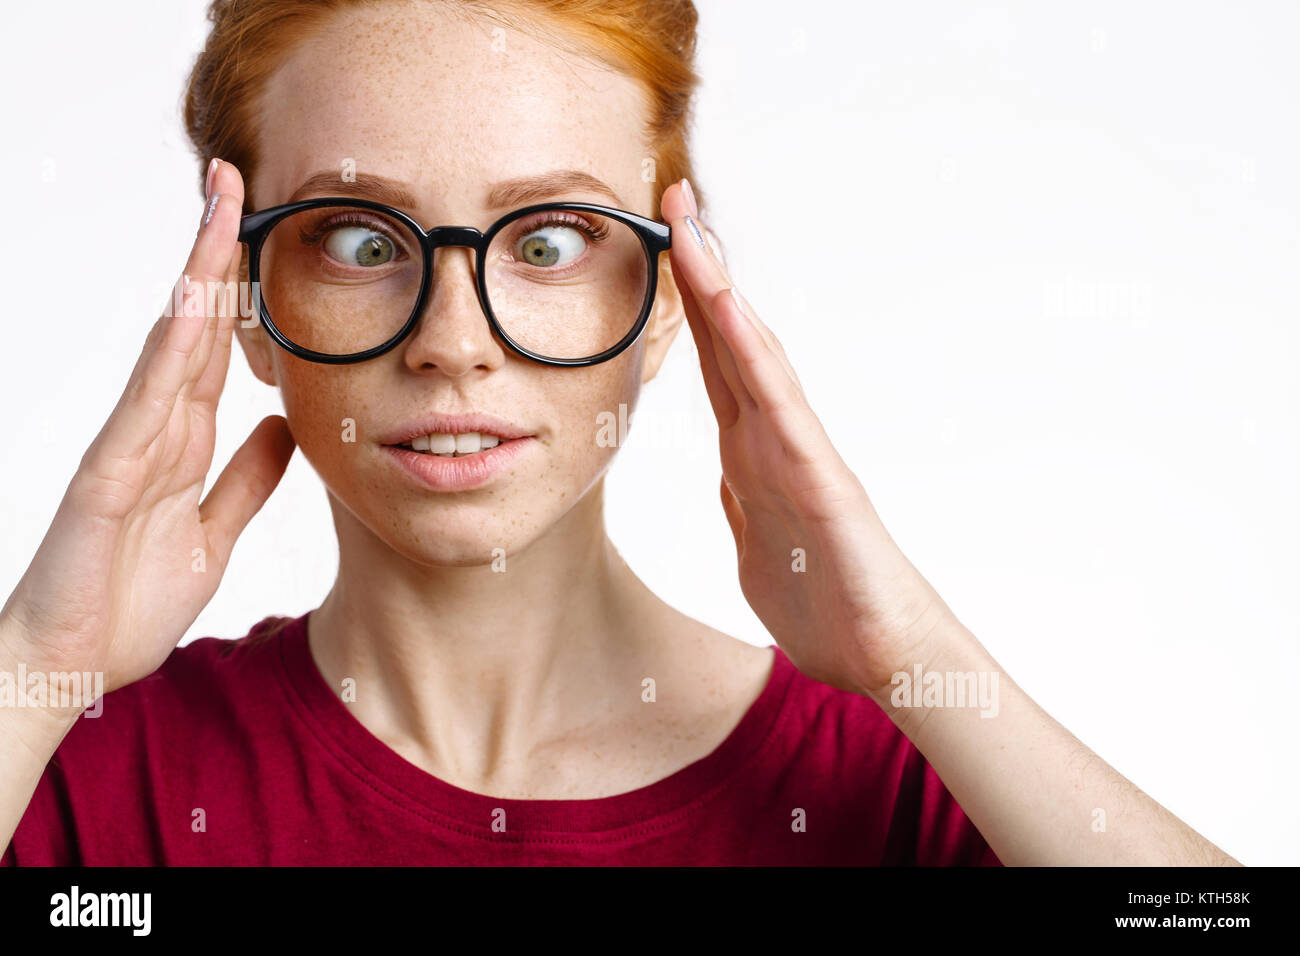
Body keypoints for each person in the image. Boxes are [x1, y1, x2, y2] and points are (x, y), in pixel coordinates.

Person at [0, 0, 1237, 865]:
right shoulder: (91, 769)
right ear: (248, 304)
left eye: (545, 242)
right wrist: (30, 665)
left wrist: (909, 648)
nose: (452, 340)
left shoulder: (891, 775)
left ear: (665, 300)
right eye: (359, 240)